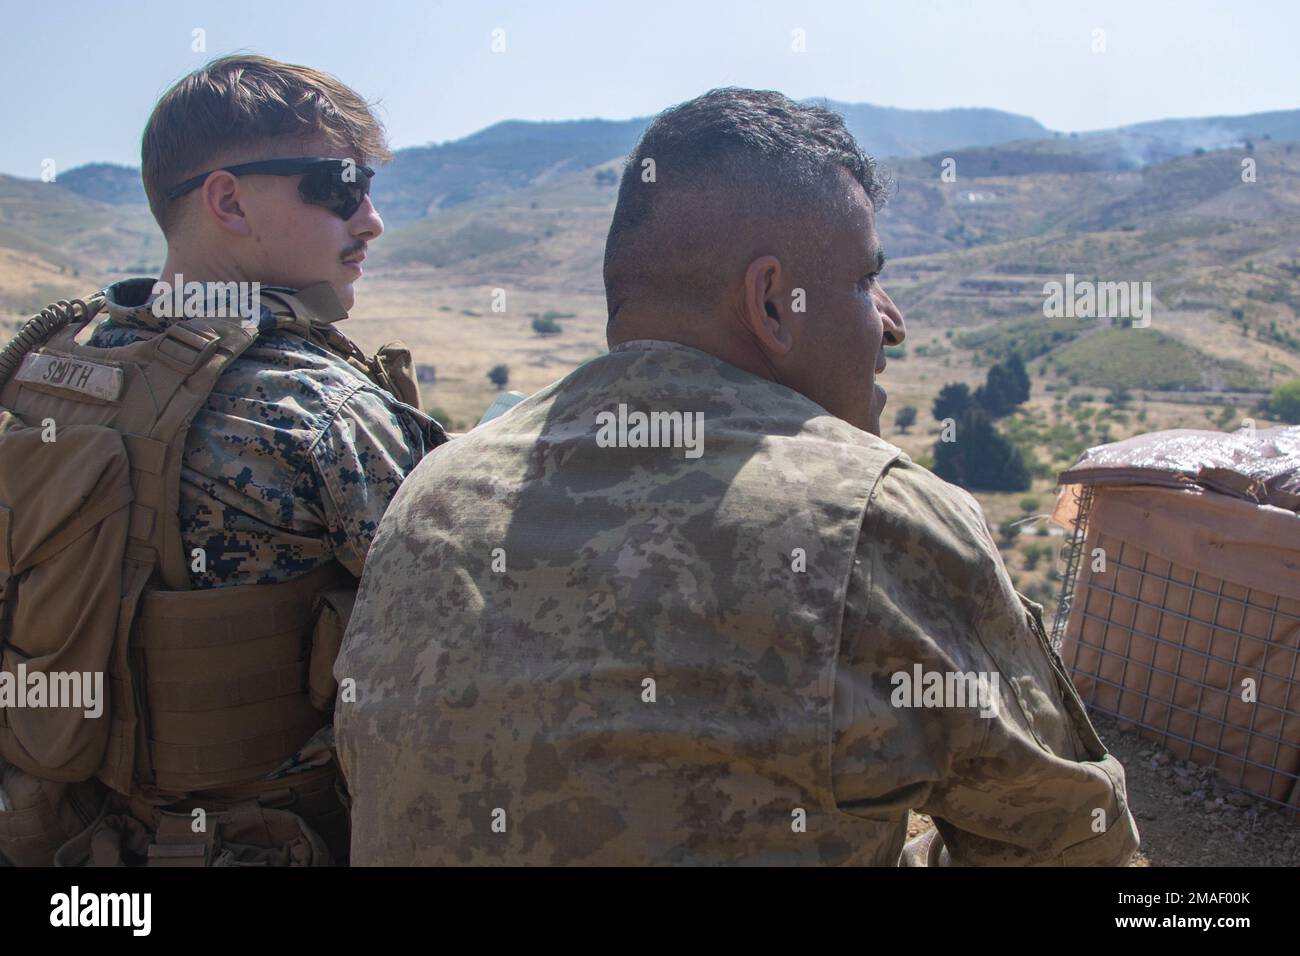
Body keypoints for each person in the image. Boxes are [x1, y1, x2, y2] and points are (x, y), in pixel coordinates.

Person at [334, 88, 1138, 866]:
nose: (892, 322)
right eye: (864, 281)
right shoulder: (877, 519)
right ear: (773, 304)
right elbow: (1068, 845)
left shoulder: (430, 491)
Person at [0, 54, 444, 867]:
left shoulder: (43, 370)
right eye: (339, 187)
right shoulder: (318, 410)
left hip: (67, 845)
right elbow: (465, 646)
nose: (371, 220)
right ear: (229, 201)